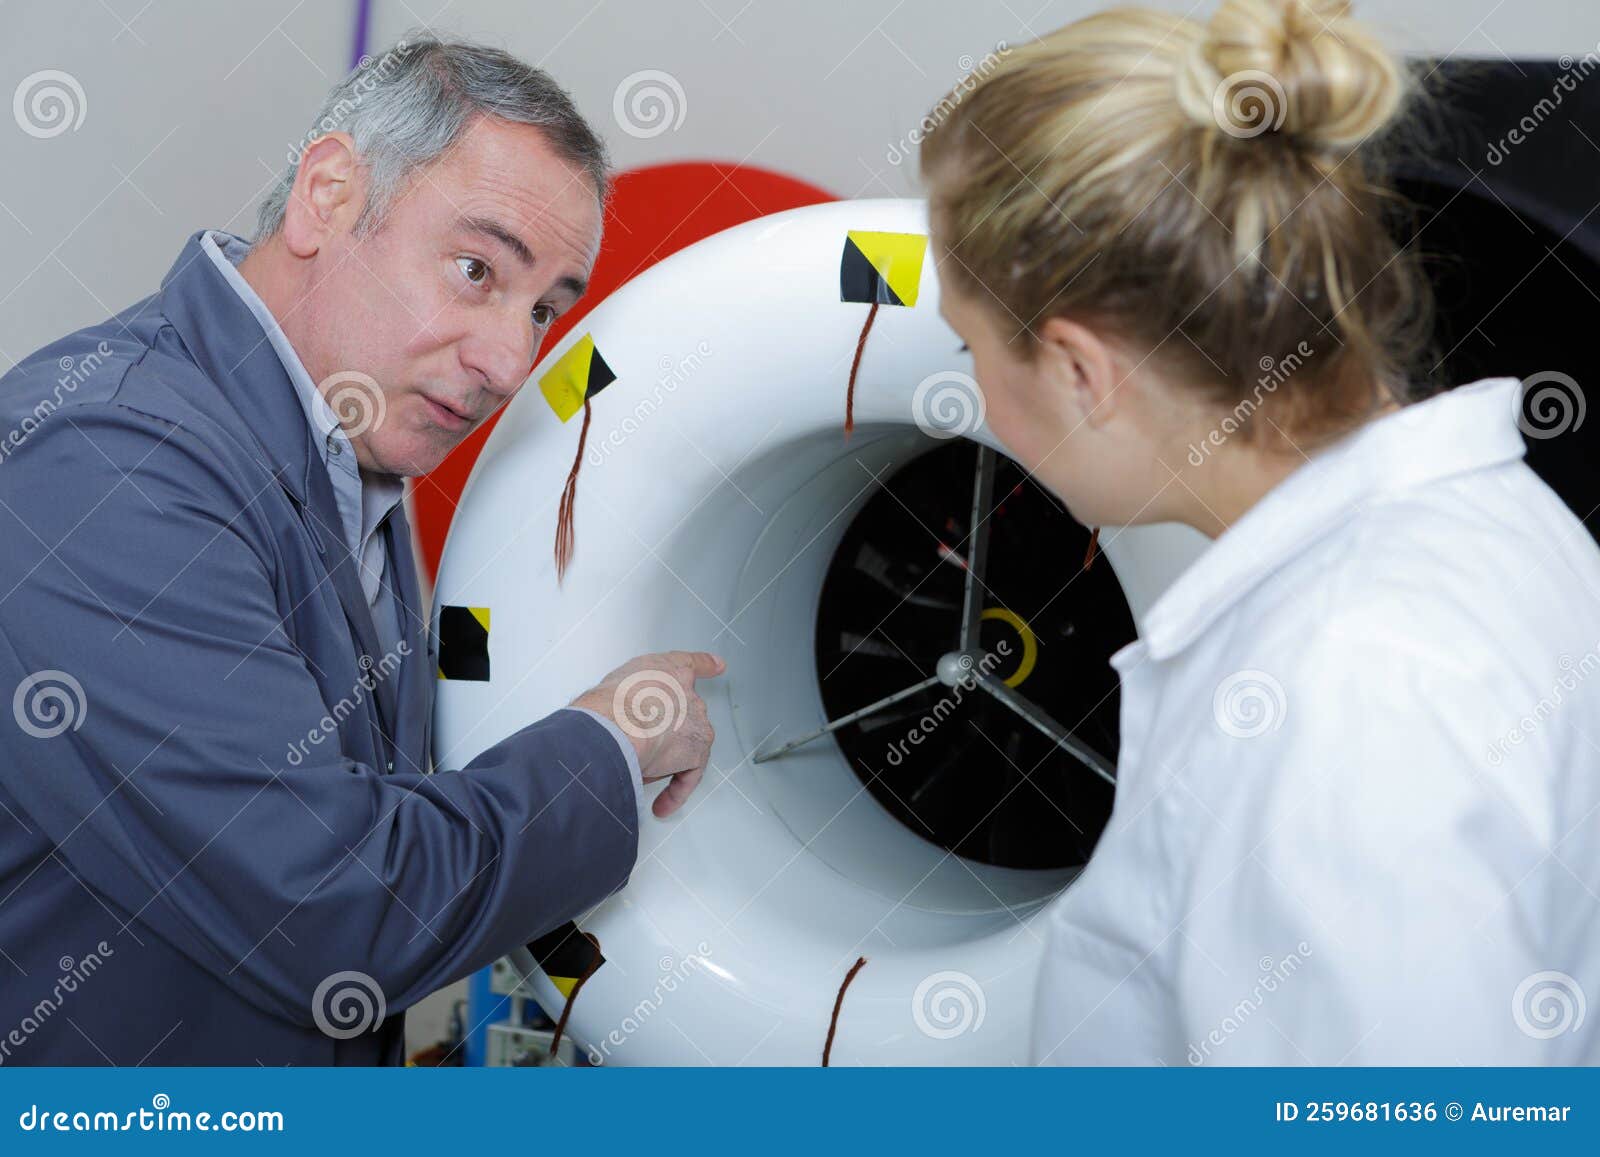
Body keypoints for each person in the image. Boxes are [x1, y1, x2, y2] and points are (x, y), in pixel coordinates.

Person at [0, 37, 721, 1065]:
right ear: (327, 194)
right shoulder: (104, 463)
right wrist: (605, 745)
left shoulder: (347, 457)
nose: (511, 360)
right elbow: (334, 908)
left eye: (545, 308)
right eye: (477, 270)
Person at [920, 0, 1600, 1064]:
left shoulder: (1349, 690)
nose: (981, 405)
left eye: (969, 349)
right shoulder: (1474, 529)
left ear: (1079, 370)